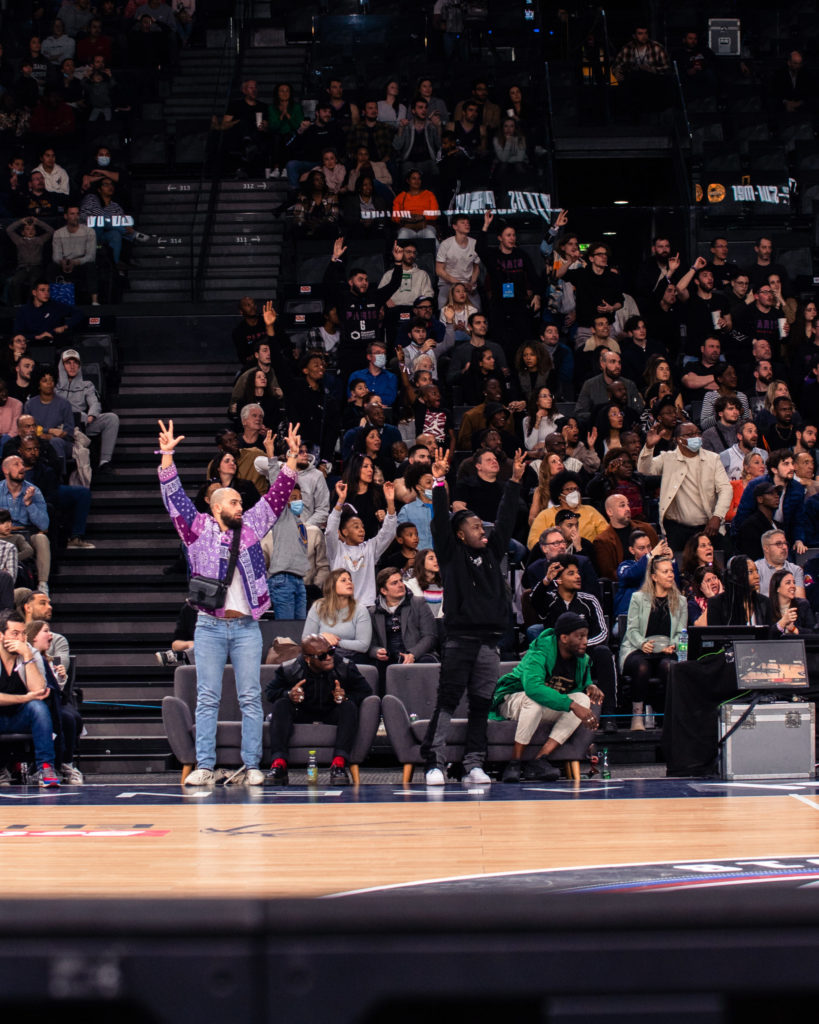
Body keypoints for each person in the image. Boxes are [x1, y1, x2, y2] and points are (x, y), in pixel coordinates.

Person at [157, 418, 301, 788]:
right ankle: (205, 765)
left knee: (250, 697)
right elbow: (175, 502)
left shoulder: (251, 525)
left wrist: (290, 463)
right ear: (217, 506)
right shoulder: (197, 529)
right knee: (207, 698)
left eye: (240, 501)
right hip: (208, 625)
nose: (241, 504)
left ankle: (252, 765)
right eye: (234, 501)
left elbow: (275, 500)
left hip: (246, 626)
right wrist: (167, 457)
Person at [421, 448, 525, 786]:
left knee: (481, 704)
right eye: (476, 526)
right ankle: (434, 764)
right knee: (448, 702)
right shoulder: (451, 554)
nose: (483, 530)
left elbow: (507, 518)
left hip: (489, 641)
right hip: (460, 639)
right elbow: (439, 522)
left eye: (483, 525)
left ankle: (474, 764)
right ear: (461, 534)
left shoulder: (494, 551)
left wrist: (514, 483)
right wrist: (439, 482)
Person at [490, 613, 601, 783]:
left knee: (582, 699)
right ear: (563, 638)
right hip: (513, 701)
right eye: (580, 637)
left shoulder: (582, 659)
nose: (585, 641)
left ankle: (539, 761)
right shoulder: (540, 651)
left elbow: (580, 684)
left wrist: (590, 686)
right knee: (535, 700)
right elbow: (533, 688)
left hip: (545, 707)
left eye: (586, 636)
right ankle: (514, 762)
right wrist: (571, 705)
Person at [265, 633, 373, 786]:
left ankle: (339, 764)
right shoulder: (290, 669)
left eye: (331, 652)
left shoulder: (344, 666)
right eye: (322, 656)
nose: (329, 657)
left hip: (332, 711)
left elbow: (366, 691)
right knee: (281, 704)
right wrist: (289, 694)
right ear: (308, 659)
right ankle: (279, 765)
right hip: (301, 711)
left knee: (348, 706)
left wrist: (346, 696)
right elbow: (270, 692)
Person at [637, 421, 732, 551]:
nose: (696, 437)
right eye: (690, 434)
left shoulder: (712, 459)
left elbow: (725, 489)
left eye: (698, 433)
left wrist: (717, 516)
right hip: (677, 529)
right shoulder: (668, 458)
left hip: (708, 526)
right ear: (678, 439)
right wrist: (649, 447)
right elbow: (644, 469)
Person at [619, 554, 687, 731]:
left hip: (667, 648)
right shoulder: (638, 598)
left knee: (669, 667)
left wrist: (673, 645)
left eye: (671, 571)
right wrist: (642, 644)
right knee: (642, 667)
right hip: (638, 647)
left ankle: (667, 716)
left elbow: (681, 632)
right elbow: (631, 629)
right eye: (665, 572)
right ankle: (637, 715)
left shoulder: (681, 601)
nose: (670, 575)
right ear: (654, 577)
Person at [0, 609, 58, 787]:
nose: (21, 639)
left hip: (19, 717)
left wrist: (27, 657)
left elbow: (39, 691)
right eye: (14, 634)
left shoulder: (30, 652)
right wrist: (24, 698)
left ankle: (46, 768)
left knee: (38, 708)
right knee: (31, 703)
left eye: (23, 634)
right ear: (1, 636)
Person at [25, 616, 82, 783]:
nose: (51, 635)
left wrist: (62, 678)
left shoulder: (47, 660)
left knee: (70, 718)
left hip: (52, 701)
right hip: (31, 702)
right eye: (46, 631)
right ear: (33, 636)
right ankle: (42, 766)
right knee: (50, 714)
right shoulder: (25, 658)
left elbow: (55, 690)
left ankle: (65, 763)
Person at [326, 479, 397, 606]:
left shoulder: (370, 548)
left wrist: (390, 502)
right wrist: (340, 500)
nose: (361, 530)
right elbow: (330, 530)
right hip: (341, 606)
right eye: (356, 526)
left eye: (362, 527)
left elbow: (389, 532)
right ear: (344, 531)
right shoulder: (336, 549)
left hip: (367, 607)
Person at [368, 568, 438, 691]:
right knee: (373, 668)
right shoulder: (373, 612)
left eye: (400, 581)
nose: (401, 585)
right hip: (388, 658)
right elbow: (369, 644)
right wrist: (376, 651)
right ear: (384, 590)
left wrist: (413, 654)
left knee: (426, 661)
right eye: (394, 583)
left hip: (417, 655)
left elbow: (430, 636)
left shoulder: (418, 603)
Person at [56, 349, 119, 474]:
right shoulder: (54, 386)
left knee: (111, 418)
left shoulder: (87, 385)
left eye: (75, 363)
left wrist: (91, 415)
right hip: (60, 425)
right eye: (68, 363)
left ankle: (104, 461)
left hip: (81, 424)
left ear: (79, 366)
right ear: (62, 366)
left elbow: (95, 403)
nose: (72, 366)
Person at [592, 493, 658, 579]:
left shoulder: (647, 529)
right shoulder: (602, 540)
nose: (627, 509)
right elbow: (609, 574)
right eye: (622, 506)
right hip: (626, 583)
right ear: (610, 512)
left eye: (628, 505)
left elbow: (658, 557)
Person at [755, 528, 807, 600]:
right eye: (778, 544)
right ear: (766, 548)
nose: (784, 547)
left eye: (785, 543)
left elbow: (800, 601)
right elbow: (753, 601)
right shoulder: (756, 568)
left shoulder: (795, 570)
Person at [768, 569, 816, 635]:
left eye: (794, 582)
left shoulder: (803, 605)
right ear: (777, 588)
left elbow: (813, 632)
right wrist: (782, 623)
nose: (793, 586)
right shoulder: (767, 607)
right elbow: (765, 635)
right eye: (788, 583)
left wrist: (794, 629)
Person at [406, 548, 444, 618]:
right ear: (421, 562)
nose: (436, 560)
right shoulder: (410, 586)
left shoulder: (445, 586)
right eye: (431, 558)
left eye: (437, 557)